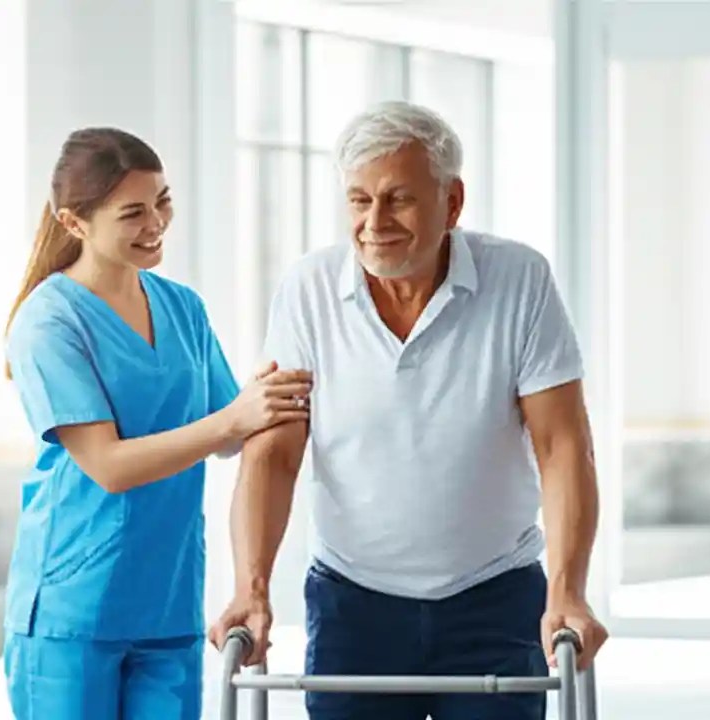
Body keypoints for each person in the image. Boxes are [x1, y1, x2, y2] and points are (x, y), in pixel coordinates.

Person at [208, 101, 609, 720]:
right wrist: (250, 587)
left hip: (495, 597)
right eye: (359, 200)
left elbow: (561, 447)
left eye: (399, 199)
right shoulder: (309, 289)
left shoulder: (521, 279)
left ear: (452, 203)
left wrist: (567, 591)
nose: (375, 221)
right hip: (354, 602)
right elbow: (275, 453)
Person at [2, 127, 312, 720]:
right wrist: (233, 420)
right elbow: (109, 466)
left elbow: (238, 426)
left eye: (164, 202)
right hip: (73, 609)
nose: (157, 224)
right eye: (133, 213)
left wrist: (286, 389)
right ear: (74, 223)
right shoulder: (48, 322)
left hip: (167, 602)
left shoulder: (182, 308)